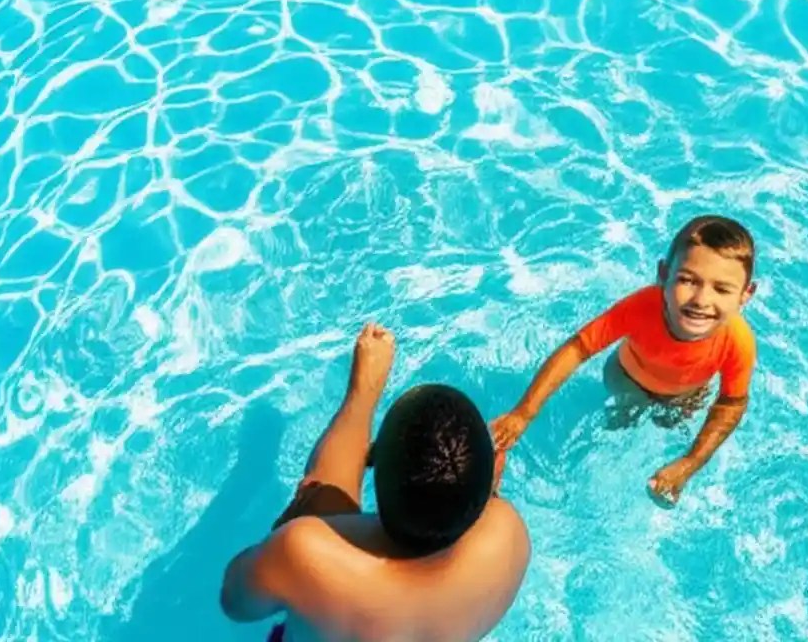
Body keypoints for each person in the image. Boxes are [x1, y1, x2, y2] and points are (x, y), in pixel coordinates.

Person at [220, 323, 531, 641]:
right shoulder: (509, 535)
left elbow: (234, 601)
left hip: (333, 595)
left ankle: (362, 396)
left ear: (370, 460)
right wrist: (484, 491)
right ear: (491, 473)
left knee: (320, 497)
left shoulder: (302, 553)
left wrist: (284, 535)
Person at [490, 214, 758, 506]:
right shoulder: (641, 307)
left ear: (746, 295)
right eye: (687, 280)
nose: (701, 300)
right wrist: (524, 412)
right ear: (663, 275)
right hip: (626, 378)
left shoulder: (738, 341)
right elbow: (578, 348)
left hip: (687, 394)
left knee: (669, 431)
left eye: (722, 289)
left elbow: (731, 404)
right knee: (621, 422)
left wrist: (689, 463)